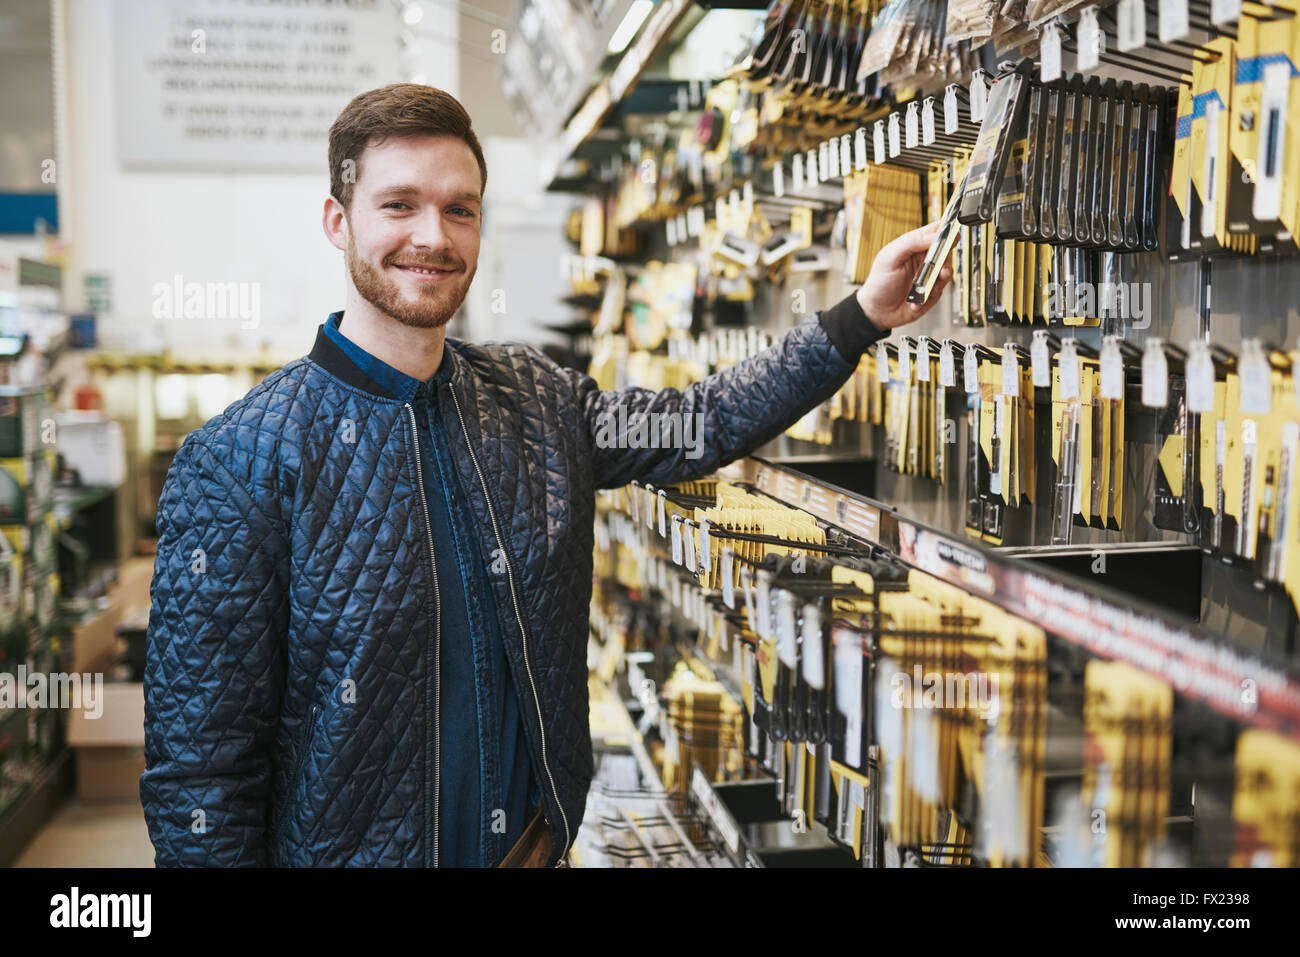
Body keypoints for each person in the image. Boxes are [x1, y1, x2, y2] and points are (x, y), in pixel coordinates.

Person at [139, 83, 952, 868]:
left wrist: (860, 317)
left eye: (460, 208)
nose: (434, 235)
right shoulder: (237, 462)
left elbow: (698, 422)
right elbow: (200, 777)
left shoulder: (537, 401)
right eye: (399, 205)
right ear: (336, 220)